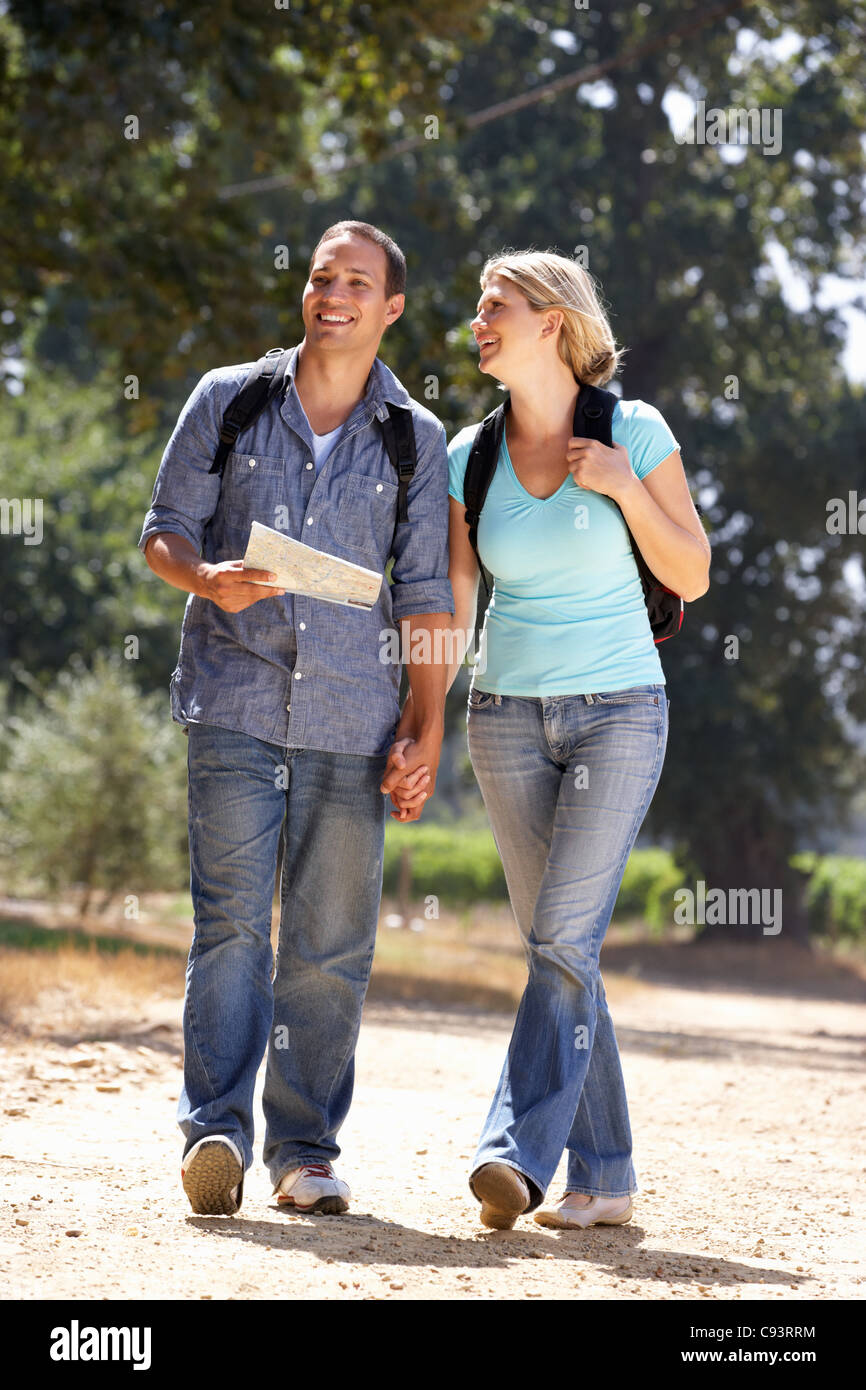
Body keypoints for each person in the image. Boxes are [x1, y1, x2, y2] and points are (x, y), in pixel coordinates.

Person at [388, 249, 710, 1230]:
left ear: (552, 322)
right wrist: (426, 718)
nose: (475, 322)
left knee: (562, 939)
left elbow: (689, 572)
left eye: (495, 307)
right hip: (504, 716)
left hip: (618, 709)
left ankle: (511, 1152)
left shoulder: (632, 431)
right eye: (476, 307)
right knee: (556, 948)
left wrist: (620, 486)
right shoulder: (466, 459)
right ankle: (604, 1175)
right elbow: (449, 600)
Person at [139, 220, 453, 1216]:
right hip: (232, 698)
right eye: (322, 276)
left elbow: (425, 596)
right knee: (229, 923)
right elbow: (162, 533)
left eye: (357, 281)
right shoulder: (228, 401)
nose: (333, 294)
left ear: (390, 307)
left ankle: (305, 1150)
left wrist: (426, 721)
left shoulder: (415, 439)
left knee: (329, 942)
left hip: (353, 720)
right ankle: (216, 1135)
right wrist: (205, 577)